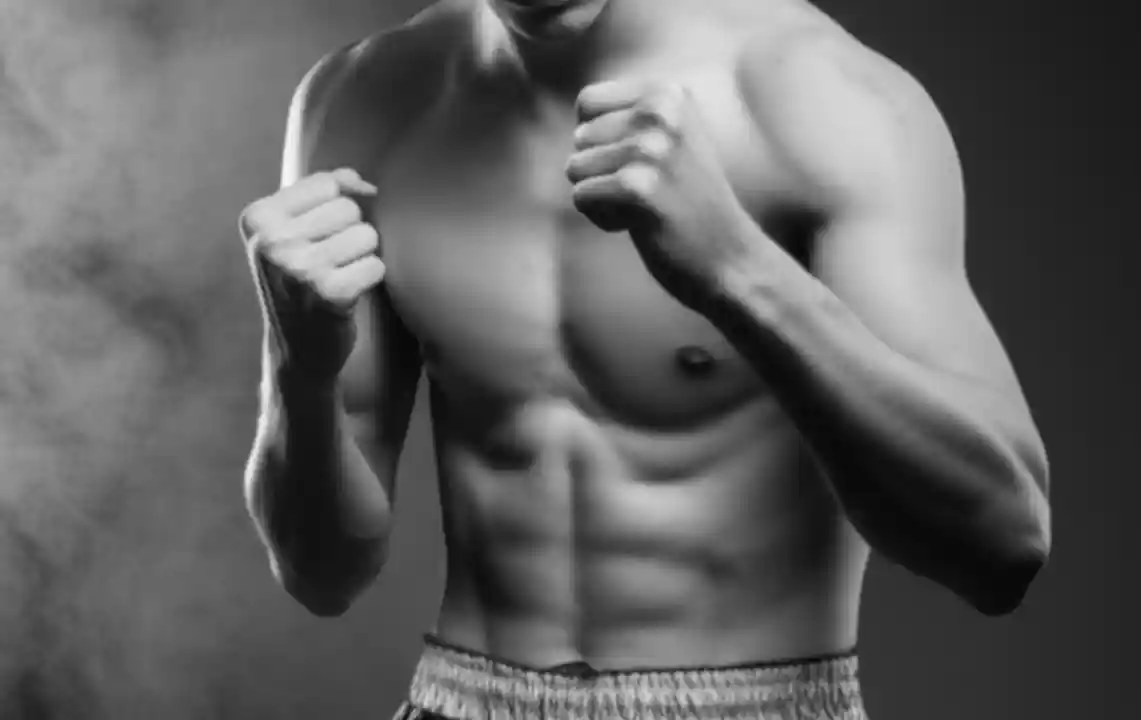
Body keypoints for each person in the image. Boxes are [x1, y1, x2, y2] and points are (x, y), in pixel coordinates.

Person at [237, 0, 1052, 717]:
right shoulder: (362, 98)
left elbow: (1002, 544)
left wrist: (736, 267)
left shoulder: (821, 98)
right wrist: (298, 370)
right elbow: (321, 573)